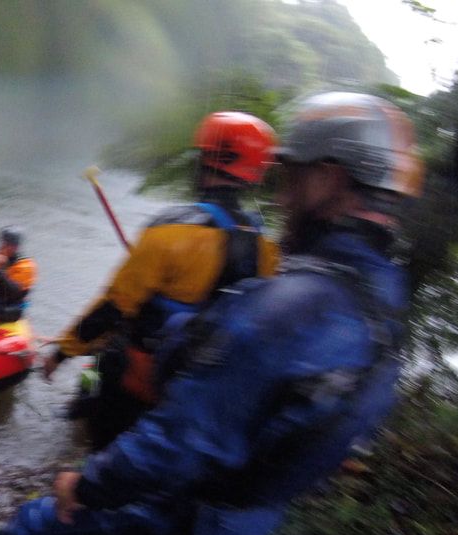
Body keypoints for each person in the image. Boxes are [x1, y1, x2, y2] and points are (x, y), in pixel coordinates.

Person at [0, 91, 423, 535]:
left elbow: (117, 312)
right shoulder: (372, 301)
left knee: (55, 517)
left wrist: (65, 356)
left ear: (330, 179)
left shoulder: (235, 268)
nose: (283, 193)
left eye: (294, 177)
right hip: (251, 511)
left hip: (168, 414)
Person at [43, 112, 280, 449]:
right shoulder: (267, 247)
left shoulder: (168, 229)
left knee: (107, 365)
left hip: (140, 381)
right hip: (200, 386)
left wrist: (61, 352)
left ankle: (86, 435)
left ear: (203, 160)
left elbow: (112, 308)